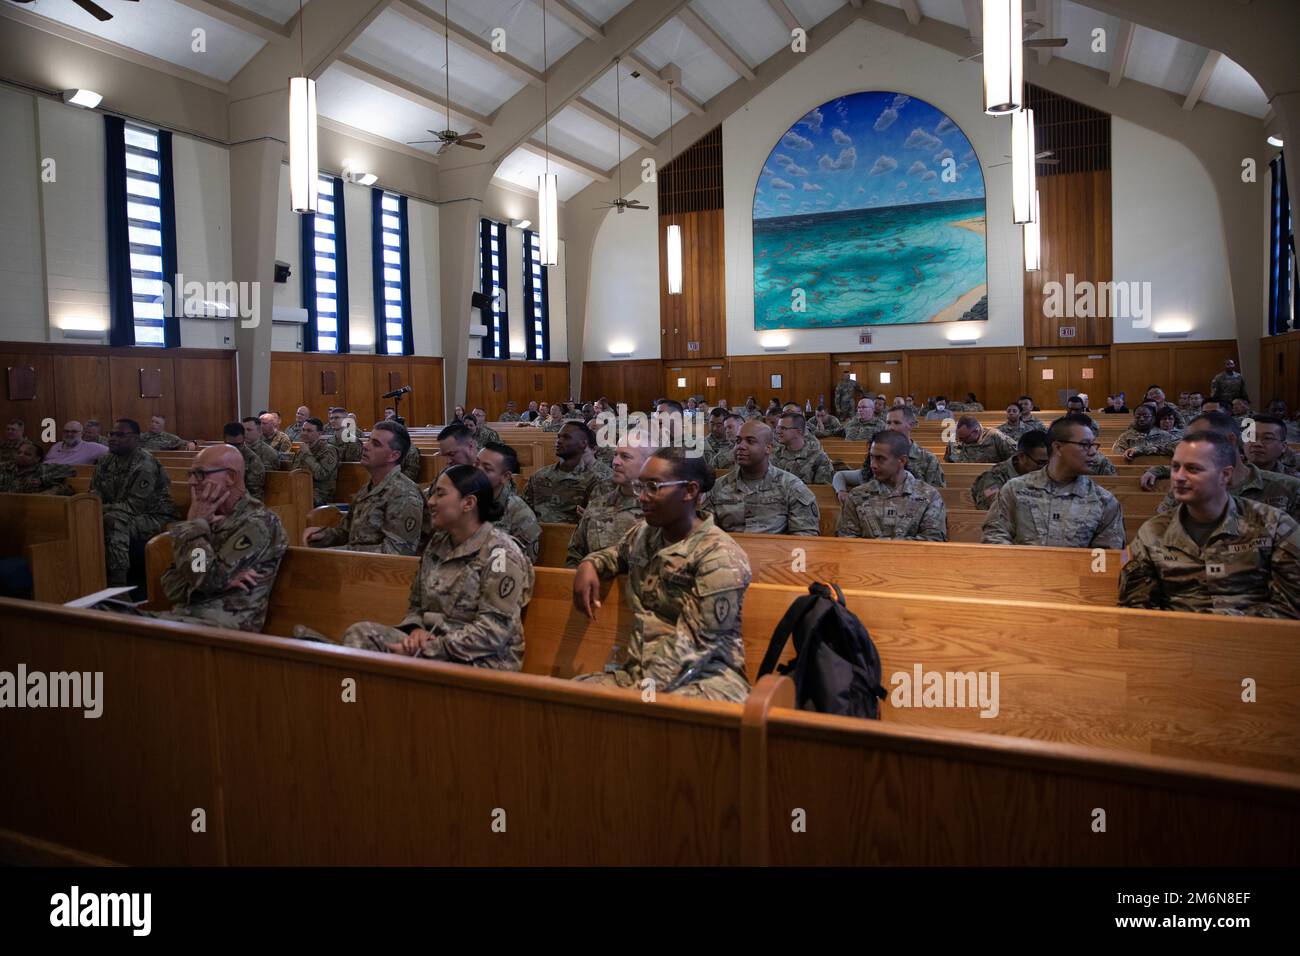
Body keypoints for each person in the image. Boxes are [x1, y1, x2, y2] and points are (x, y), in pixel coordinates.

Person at [572, 448, 752, 702]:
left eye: (654, 487)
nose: (642, 498)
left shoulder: (719, 556)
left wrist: (636, 692)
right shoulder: (645, 533)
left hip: (705, 679)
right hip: (641, 671)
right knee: (567, 699)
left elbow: (698, 644)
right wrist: (589, 564)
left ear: (690, 491)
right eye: (640, 487)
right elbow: (616, 554)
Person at [339, 465, 533, 669]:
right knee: (362, 635)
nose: (430, 501)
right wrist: (416, 631)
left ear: (468, 503)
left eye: (440, 494)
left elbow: (494, 632)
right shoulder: (438, 543)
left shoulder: (501, 554)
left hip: (482, 660)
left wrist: (429, 650)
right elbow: (417, 605)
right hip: (432, 646)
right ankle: (352, 700)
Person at [1119, 431, 1300, 618]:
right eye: (1175, 467)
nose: (1179, 477)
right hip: (1175, 639)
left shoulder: (1274, 525)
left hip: (1258, 640)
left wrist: (1220, 632)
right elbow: (1135, 606)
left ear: (1225, 475)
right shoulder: (1152, 532)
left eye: (1193, 469)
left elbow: (1291, 608)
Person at [146, 444, 287, 631]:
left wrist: (194, 527)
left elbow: (205, 578)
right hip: (187, 617)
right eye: (191, 474)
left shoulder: (258, 522)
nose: (192, 482)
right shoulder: (208, 517)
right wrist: (214, 579)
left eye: (200, 474)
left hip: (223, 628)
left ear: (231, 477)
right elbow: (170, 582)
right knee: (105, 615)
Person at [981, 414, 1125, 549]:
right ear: (1058, 447)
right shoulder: (1015, 489)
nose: (1093, 452)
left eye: (1094, 445)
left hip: (1076, 574)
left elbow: (1107, 557)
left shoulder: (1104, 501)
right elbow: (994, 535)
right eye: (1085, 445)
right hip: (1020, 572)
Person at [1141, 411, 1300, 521]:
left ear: (1230, 440)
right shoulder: (1186, 486)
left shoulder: (1289, 488)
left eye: (1200, 441)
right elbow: (1160, 534)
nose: (1191, 449)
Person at [303, 421, 424, 555]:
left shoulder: (404, 495)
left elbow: (396, 553)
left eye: (376, 444)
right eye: (368, 440)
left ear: (393, 455)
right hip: (355, 566)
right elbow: (347, 532)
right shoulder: (368, 488)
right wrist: (323, 536)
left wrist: (338, 552)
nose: (366, 446)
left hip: (377, 572)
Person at [90, 418, 177, 586]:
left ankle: (118, 586)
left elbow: (133, 507)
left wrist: (98, 510)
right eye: (112, 434)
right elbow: (94, 495)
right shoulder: (105, 461)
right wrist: (90, 509)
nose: (113, 438)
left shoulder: (144, 464)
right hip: (118, 511)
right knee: (86, 517)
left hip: (155, 516)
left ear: (136, 438)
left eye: (120, 435)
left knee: (115, 522)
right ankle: (90, 578)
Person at [700, 419, 819, 535]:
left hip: (776, 553)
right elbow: (705, 535)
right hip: (728, 552)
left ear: (768, 448)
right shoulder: (717, 488)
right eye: (738, 441)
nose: (740, 446)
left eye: (750, 441)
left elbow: (805, 538)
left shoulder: (791, 487)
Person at [836, 430, 946, 541]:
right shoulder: (857, 496)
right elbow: (846, 541)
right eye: (871, 457)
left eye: (880, 459)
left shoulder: (929, 496)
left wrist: (886, 547)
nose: (873, 465)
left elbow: (933, 542)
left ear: (902, 460)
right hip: (864, 557)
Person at [566, 434, 652, 567]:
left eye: (625, 456)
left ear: (648, 463)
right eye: (615, 455)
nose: (615, 462)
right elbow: (574, 557)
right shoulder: (597, 505)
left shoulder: (660, 508)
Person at [523, 421, 604, 523]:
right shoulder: (539, 476)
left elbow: (597, 522)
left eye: (566, 437)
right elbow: (524, 512)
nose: (559, 441)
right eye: (558, 437)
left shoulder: (594, 481)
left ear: (583, 443)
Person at [477, 442, 541, 562]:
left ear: (505, 477)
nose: (477, 471)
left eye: (487, 468)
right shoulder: (463, 500)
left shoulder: (518, 512)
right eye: (476, 464)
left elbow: (522, 564)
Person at [970, 430, 1051, 510]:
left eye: (1049, 462)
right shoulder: (994, 477)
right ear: (1022, 457)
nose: (1045, 468)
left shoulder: (1050, 474)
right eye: (1041, 463)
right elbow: (994, 504)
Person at [771, 411, 834, 485]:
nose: (778, 432)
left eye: (783, 428)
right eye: (778, 428)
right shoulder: (775, 455)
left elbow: (822, 491)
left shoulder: (818, 457)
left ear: (798, 432)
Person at [290, 417, 339, 507]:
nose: (304, 433)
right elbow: (294, 471)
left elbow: (321, 475)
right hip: (300, 488)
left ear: (319, 433)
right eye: (303, 430)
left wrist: (308, 454)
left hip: (320, 494)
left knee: (300, 499)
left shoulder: (328, 450)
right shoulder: (302, 449)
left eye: (309, 431)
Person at [0, 440, 74, 495]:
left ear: (37, 458)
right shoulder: (5, 467)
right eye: (19, 452)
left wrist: (42, 480)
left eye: (27, 454)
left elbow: (71, 470)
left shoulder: (43, 468)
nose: (21, 455)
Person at [944, 415, 1017, 464]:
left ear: (976, 431)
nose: (960, 441)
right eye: (958, 437)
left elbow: (1016, 459)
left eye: (964, 438)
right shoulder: (954, 439)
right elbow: (947, 464)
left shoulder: (995, 436)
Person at [222, 421, 266, 500]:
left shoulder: (253, 460)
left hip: (244, 503)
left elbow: (255, 495)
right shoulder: (217, 456)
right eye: (230, 445)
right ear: (224, 440)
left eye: (238, 445)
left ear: (244, 439)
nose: (235, 448)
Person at [44, 420, 109, 465]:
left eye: (74, 432)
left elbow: (113, 453)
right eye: (66, 431)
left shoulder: (91, 447)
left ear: (81, 433)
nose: (69, 434)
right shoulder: (56, 446)